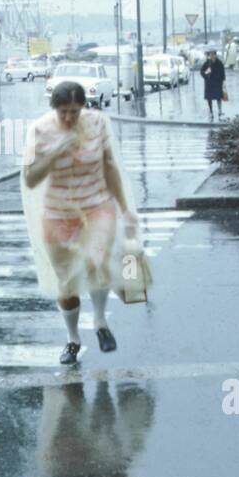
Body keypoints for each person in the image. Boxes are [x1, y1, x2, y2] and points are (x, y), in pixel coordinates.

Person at [21, 81, 142, 366]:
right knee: (66, 282)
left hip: (96, 207)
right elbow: (30, 178)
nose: (69, 118)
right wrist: (53, 153)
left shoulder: (98, 124)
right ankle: (73, 339)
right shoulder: (38, 130)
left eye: (74, 111)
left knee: (97, 264)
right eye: (63, 112)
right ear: (54, 109)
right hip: (57, 213)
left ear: (83, 108)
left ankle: (100, 323)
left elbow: (110, 166)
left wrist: (125, 208)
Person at [198, 49, 226, 120]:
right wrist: (205, 77)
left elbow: (223, 73)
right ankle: (211, 112)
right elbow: (201, 71)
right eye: (211, 55)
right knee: (209, 98)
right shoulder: (207, 63)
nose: (212, 56)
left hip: (217, 83)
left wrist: (222, 81)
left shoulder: (219, 63)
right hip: (209, 84)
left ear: (215, 55)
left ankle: (220, 111)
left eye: (213, 54)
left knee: (218, 97)